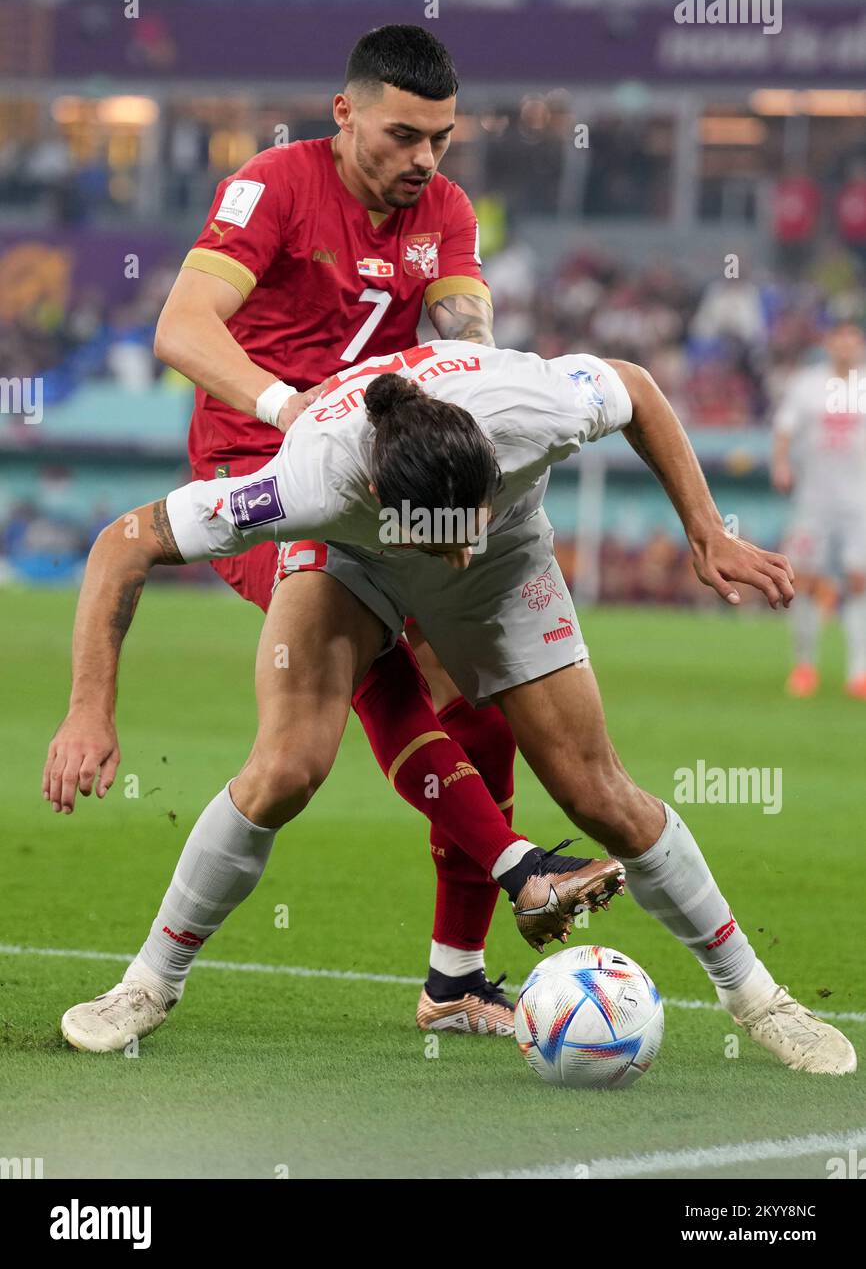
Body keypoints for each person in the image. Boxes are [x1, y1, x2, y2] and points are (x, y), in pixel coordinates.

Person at [46, 340, 855, 1075]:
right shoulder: (310, 482)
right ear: (373, 489)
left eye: (467, 518)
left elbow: (637, 386)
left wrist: (706, 528)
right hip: (353, 557)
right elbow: (127, 539)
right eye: (443, 534)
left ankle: (759, 1000)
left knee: (596, 791)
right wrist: (90, 708)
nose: (453, 550)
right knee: (287, 767)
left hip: (508, 561)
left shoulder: (537, 407)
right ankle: (147, 986)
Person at [154, 22, 527, 1035]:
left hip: (374, 479)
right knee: (378, 681)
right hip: (257, 478)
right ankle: (517, 865)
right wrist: (294, 416)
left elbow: (468, 335)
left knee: (481, 706)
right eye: (402, 136)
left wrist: (478, 413)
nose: (423, 160)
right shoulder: (275, 185)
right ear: (343, 112)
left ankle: (454, 981)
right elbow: (181, 330)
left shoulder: (445, 210)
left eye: (440, 140)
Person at [772, 323, 866, 698]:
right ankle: (804, 665)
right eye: (838, 337)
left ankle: (859, 671)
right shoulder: (807, 384)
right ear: (829, 343)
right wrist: (781, 464)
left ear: (858, 345)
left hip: (859, 502)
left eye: (852, 338)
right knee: (805, 580)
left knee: (859, 581)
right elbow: (784, 428)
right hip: (813, 500)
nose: (845, 344)